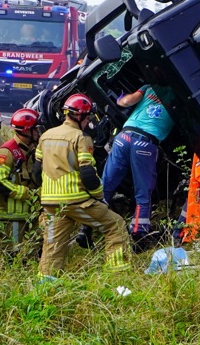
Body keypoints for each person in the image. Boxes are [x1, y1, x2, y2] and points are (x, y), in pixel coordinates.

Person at [37, 93, 131, 276]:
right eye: (87, 117)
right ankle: (118, 273)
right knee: (115, 225)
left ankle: (45, 282)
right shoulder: (81, 138)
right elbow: (88, 174)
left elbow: (36, 171)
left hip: (50, 203)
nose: (88, 121)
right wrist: (99, 196)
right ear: (80, 116)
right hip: (76, 200)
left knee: (53, 245)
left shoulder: (46, 136)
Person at [104, 80, 171, 239]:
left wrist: (120, 98)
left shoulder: (149, 87)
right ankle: (138, 234)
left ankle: (87, 227)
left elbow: (126, 102)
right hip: (145, 143)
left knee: (106, 185)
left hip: (124, 137)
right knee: (143, 193)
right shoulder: (181, 97)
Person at [0, 107, 43, 249]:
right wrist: (29, 194)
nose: (38, 132)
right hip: (11, 217)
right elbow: (0, 183)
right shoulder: (6, 153)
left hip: (29, 216)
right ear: (26, 131)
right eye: (35, 129)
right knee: (12, 255)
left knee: (33, 253)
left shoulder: (33, 150)